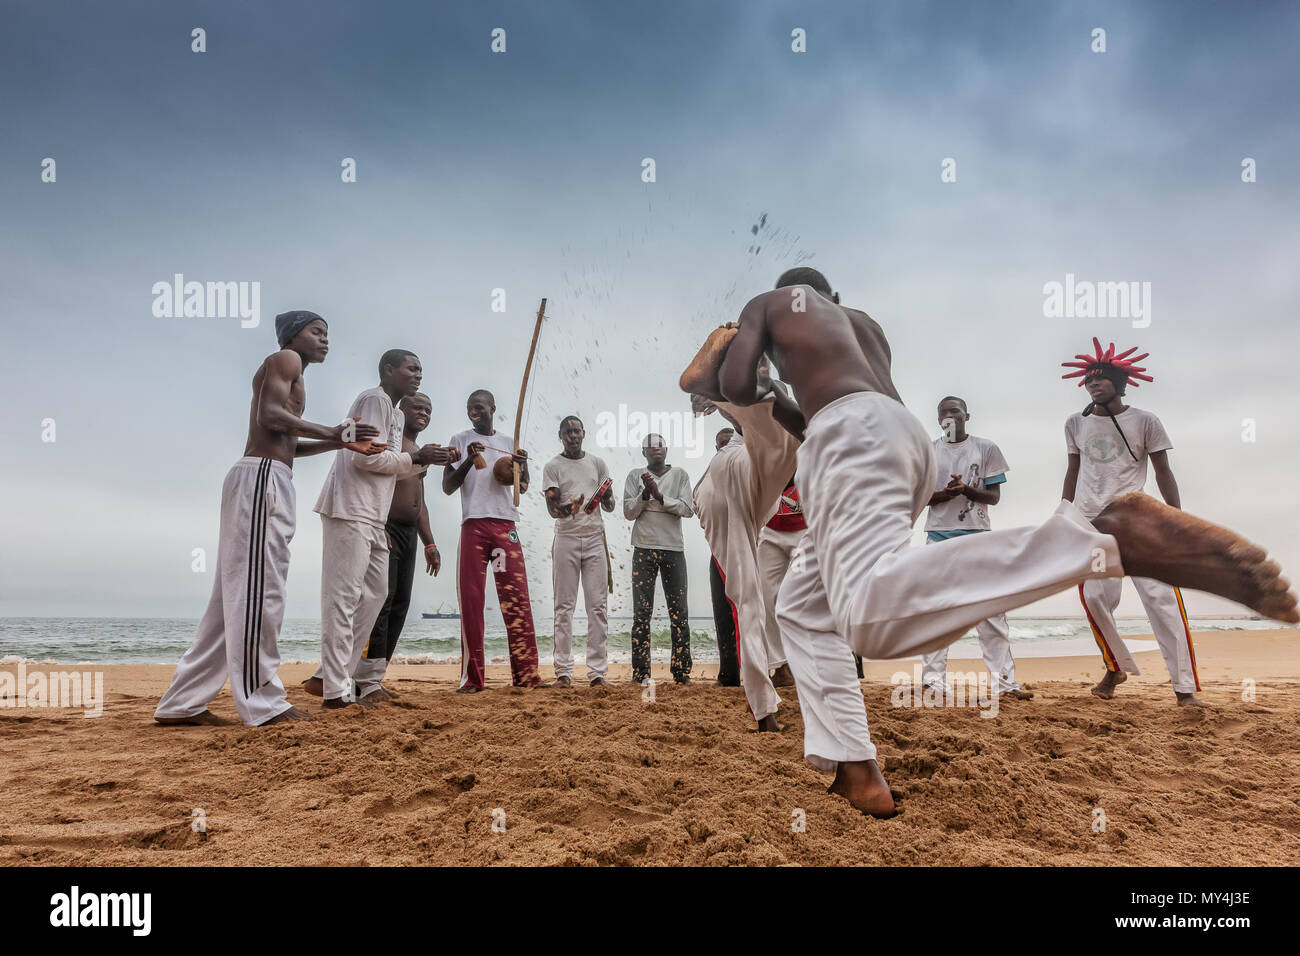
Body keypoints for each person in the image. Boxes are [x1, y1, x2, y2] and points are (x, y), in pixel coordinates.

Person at [683, 266, 1296, 817]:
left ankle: (1108, 537)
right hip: (900, 442)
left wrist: (735, 361)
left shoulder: (770, 301)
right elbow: (811, 416)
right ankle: (854, 767)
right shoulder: (862, 327)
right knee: (802, 610)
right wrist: (776, 394)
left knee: (868, 622)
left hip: (849, 443)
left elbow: (736, 387)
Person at [155, 310, 384, 726]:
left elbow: (288, 440)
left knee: (231, 602)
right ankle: (264, 703)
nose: (325, 340)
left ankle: (181, 703)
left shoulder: (294, 373)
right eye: (317, 331)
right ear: (293, 336)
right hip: (261, 479)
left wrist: (339, 445)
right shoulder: (286, 360)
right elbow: (269, 417)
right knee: (262, 594)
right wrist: (335, 433)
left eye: (328, 333)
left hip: (266, 476)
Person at [306, 351, 456, 709]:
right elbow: (365, 457)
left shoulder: (397, 412)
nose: (418, 374)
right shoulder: (374, 399)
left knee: (375, 597)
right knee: (343, 599)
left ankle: (332, 673)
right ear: (388, 370)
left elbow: (391, 466)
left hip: (373, 517)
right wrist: (418, 459)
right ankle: (334, 692)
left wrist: (423, 460)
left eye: (421, 368)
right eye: (411, 368)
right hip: (350, 509)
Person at [1061, 339, 1204, 706]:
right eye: (1089, 379)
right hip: (1093, 525)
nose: (1094, 383)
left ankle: (1184, 689)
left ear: (1119, 383)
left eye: (1102, 378)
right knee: (1094, 597)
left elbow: (1163, 472)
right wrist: (1065, 513)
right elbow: (1073, 470)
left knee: (1161, 601)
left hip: (1139, 524)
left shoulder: (1145, 420)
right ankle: (1116, 666)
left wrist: (1176, 520)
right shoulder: (1075, 423)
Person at [689, 362, 803, 733]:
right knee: (749, 602)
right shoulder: (772, 413)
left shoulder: (787, 401)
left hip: (734, 495)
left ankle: (767, 705)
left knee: (750, 600)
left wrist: (718, 398)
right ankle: (764, 708)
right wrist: (723, 400)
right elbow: (749, 428)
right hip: (733, 474)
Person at [920, 396, 1029, 700]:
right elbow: (921, 496)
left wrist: (966, 490)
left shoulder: (985, 448)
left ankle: (1005, 685)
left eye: (955, 410)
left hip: (978, 537)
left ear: (967, 416)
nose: (949, 415)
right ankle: (933, 682)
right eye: (943, 411)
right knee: (936, 611)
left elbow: (993, 497)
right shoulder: (929, 450)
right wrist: (944, 494)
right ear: (938, 419)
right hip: (938, 538)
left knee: (991, 612)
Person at [443, 389, 542, 692]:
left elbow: (522, 488)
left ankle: (526, 676)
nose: (474, 411)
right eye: (470, 407)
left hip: (505, 527)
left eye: (480, 407)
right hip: (473, 526)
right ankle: (473, 679)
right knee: (472, 601)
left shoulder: (508, 443)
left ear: (492, 409)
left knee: (517, 599)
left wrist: (521, 466)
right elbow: (447, 486)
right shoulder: (459, 439)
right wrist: (469, 461)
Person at [352, 392, 443, 703]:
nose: (423, 413)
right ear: (401, 410)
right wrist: (378, 525)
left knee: (401, 603)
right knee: (380, 601)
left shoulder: (417, 450)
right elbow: (377, 483)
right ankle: (363, 680)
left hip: (408, 531)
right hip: (386, 528)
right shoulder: (396, 445)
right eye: (417, 406)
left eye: (428, 409)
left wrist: (429, 541)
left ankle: (375, 676)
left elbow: (420, 501)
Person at [542, 415, 615, 686]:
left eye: (577, 431)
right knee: (564, 607)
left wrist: (606, 494)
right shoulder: (553, 466)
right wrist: (567, 509)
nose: (572, 436)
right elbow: (552, 510)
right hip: (566, 539)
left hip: (595, 538)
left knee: (597, 607)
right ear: (560, 436)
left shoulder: (597, 463)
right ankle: (563, 671)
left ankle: (597, 673)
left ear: (584, 433)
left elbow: (610, 506)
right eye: (567, 432)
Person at [623, 433, 694, 684]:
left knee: (679, 612)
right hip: (643, 548)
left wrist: (660, 496)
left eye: (660, 445)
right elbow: (628, 512)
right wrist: (645, 494)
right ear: (644, 452)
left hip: (673, 549)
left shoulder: (680, 475)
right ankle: (641, 672)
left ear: (666, 449)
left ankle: (681, 671)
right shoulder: (635, 476)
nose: (656, 449)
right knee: (641, 613)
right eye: (650, 447)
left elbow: (688, 509)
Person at [756, 477, 802, 688]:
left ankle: (802, 665)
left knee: (800, 598)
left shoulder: (808, 448)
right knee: (765, 597)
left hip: (805, 531)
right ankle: (781, 667)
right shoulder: (768, 451)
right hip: (771, 531)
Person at [706, 427, 740, 686]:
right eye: (720, 444)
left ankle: (769, 669)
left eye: (729, 442)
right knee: (722, 613)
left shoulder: (749, 468)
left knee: (753, 612)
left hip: (750, 550)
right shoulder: (712, 474)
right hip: (718, 550)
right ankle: (728, 674)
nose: (725, 447)